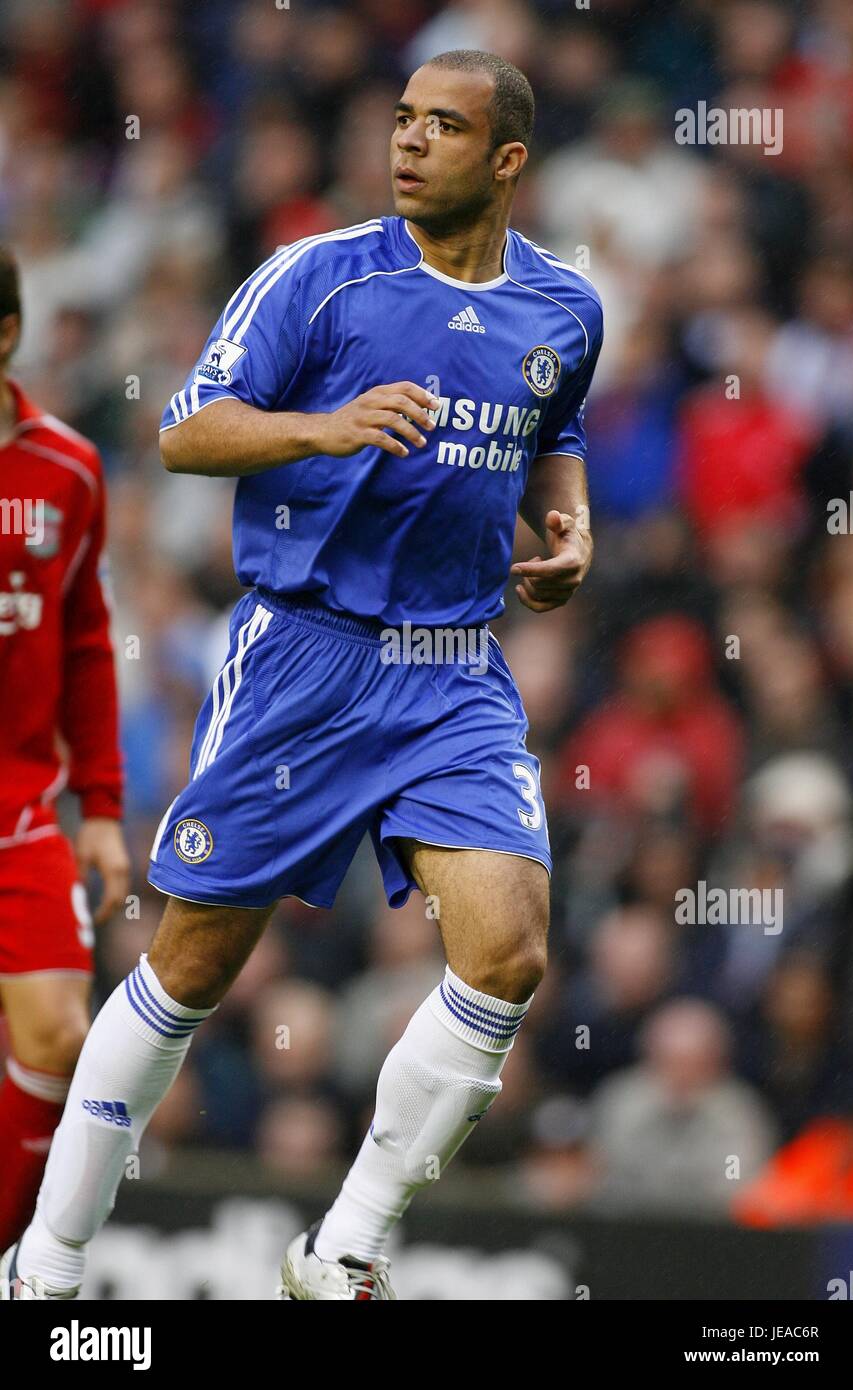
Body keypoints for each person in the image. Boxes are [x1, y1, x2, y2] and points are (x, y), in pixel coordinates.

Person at [4, 49, 603, 1302]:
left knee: (506, 952)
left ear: (505, 161)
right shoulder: (319, 278)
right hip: (305, 658)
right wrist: (320, 427)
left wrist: (569, 527)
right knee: (193, 966)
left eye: (442, 127)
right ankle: (48, 1266)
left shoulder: (564, 309)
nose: (406, 143)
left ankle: (342, 1249)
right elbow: (184, 429)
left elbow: (556, 437)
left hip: (452, 668)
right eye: (399, 120)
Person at [0, 248, 129, 1258]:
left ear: (6, 336)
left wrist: (106, 809)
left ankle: (16, 1254)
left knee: (57, 1036)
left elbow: (86, 639)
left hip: (25, 806)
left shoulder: (68, 467)